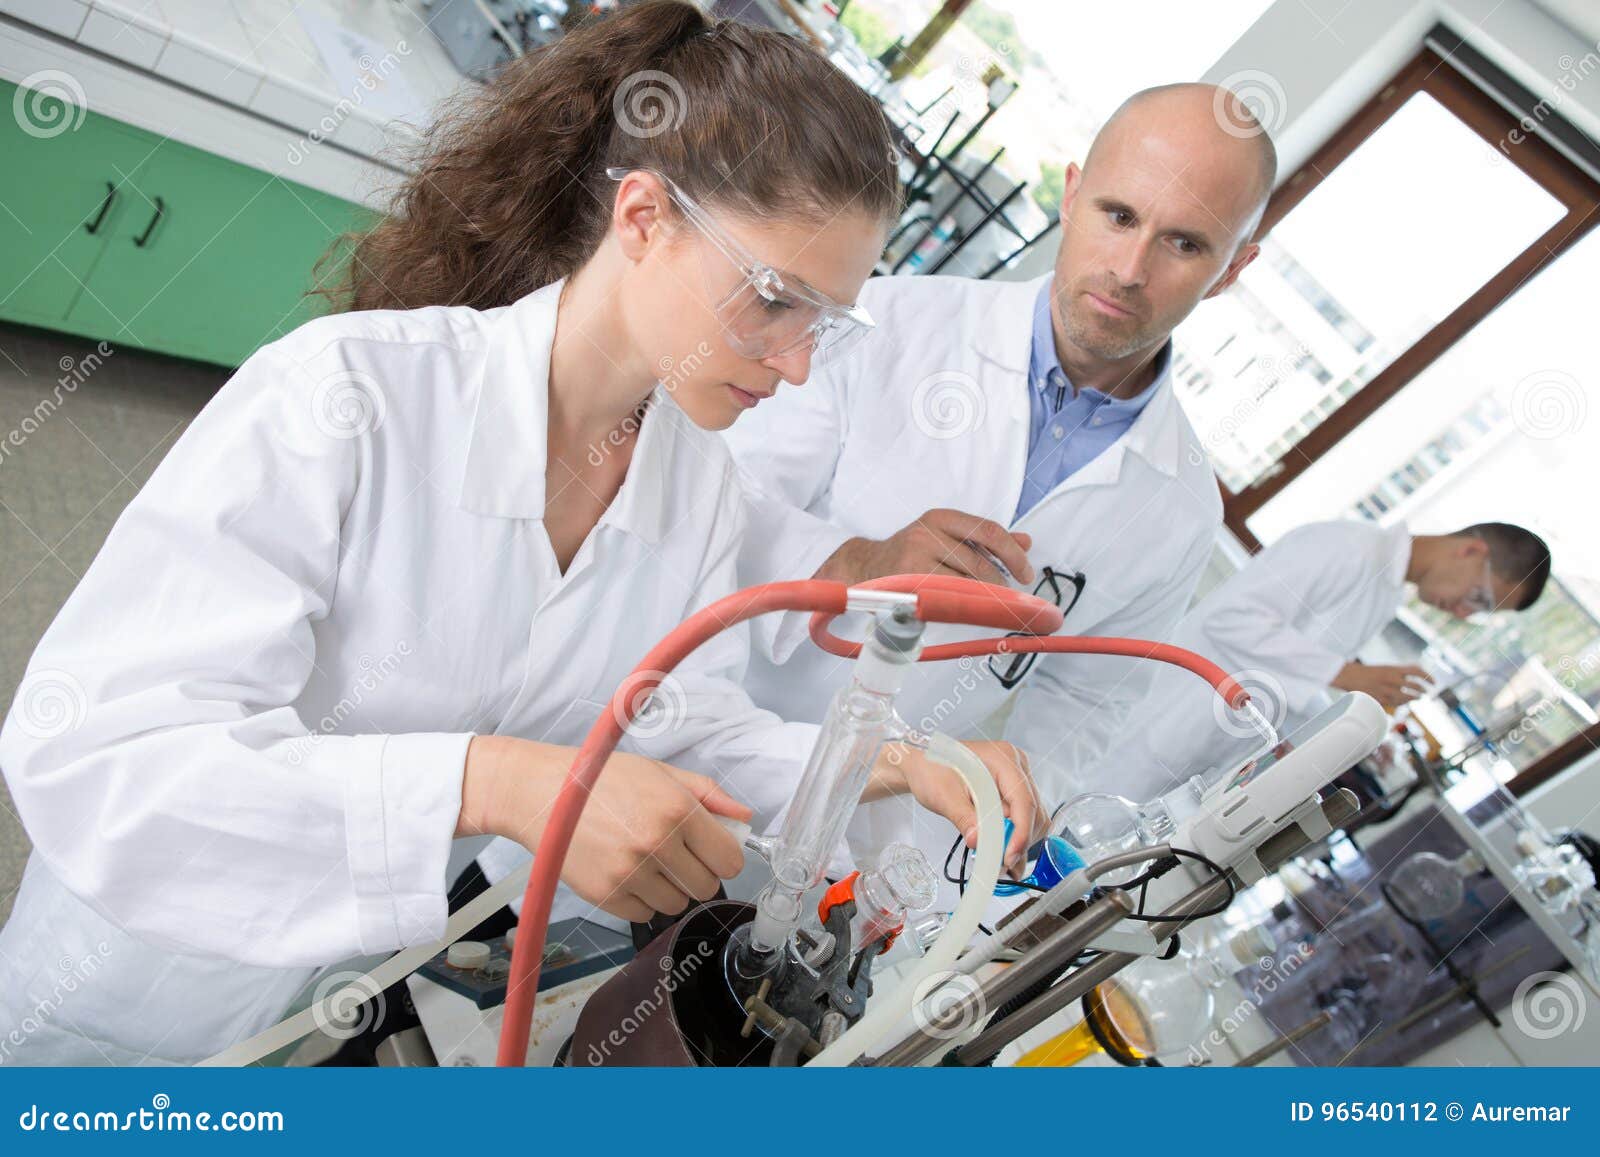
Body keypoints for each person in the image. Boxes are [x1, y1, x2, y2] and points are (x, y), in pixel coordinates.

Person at [0, 3, 1037, 1066]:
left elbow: (670, 719)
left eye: (824, 321)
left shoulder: (692, 484)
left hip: (320, 1000)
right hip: (123, 986)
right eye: (772, 298)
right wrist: (495, 783)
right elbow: (103, 755)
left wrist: (898, 759)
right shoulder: (349, 398)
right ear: (642, 219)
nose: (798, 363)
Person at [723, 84, 1278, 873]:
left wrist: (1001, 816)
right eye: (1118, 216)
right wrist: (856, 563)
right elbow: (718, 500)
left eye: (1184, 244)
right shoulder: (894, 322)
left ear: (1232, 270)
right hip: (699, 732)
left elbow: (1085, 705)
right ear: (1072, 192)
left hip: (846, 848)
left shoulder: (1180, 509)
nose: (1127, 269)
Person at [1084, 519, 1552, 804]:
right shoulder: (1348, 547)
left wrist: (1342, 731)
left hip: (1194, 746)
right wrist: (1345, 673)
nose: (1464, 611)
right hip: (1154, 726)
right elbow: (1234, 619)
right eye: (1478, 596)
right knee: (1055, 830)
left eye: (1480, 612)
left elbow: (1286, 675)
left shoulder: (1385, 591)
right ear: (1471, 550)